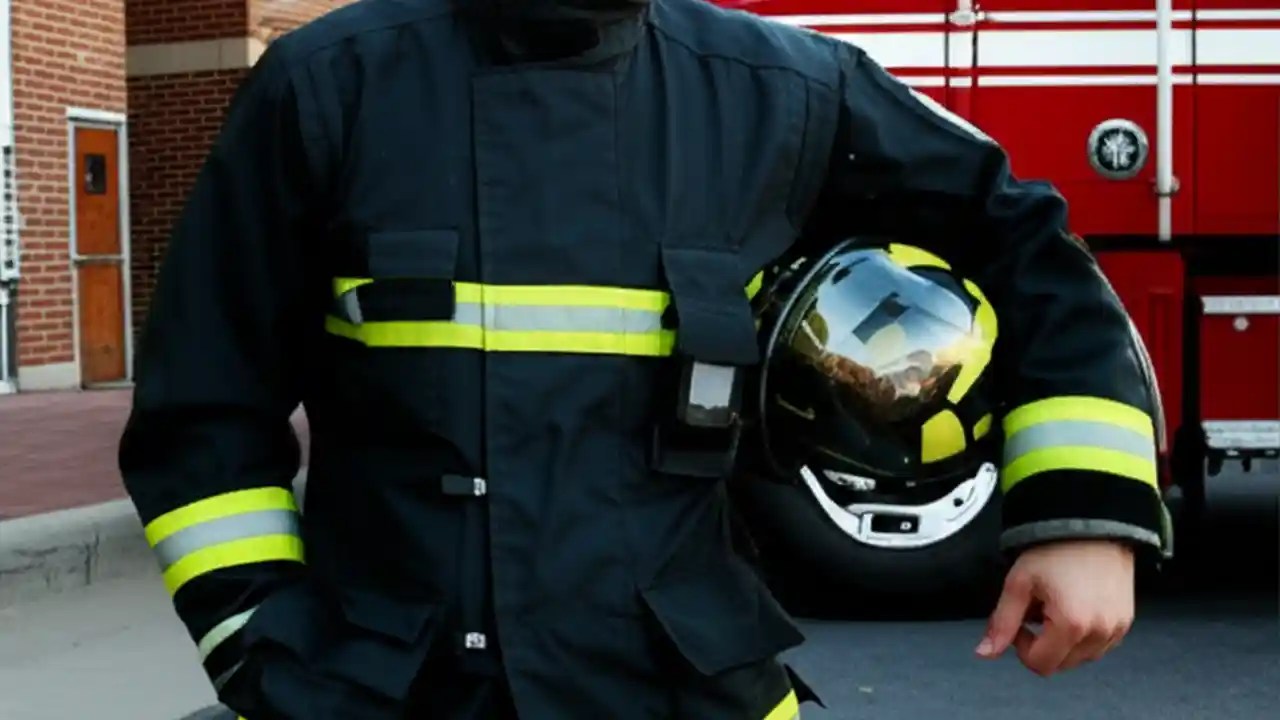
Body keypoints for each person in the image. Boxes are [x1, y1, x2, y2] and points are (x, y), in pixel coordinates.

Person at [117, 0, 1172, 718]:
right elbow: (200, 413)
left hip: (691, 689)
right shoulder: (328, 87)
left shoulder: (783, 91)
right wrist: (261, 647)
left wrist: (1084, 514)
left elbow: (1025, 243)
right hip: (380, 690)